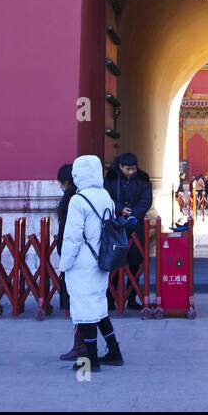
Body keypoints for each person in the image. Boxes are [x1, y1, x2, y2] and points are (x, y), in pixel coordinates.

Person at [58, 154, 124, 372]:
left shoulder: (78, 200)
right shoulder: (104, 195)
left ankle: (91, 360)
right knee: (98, 307)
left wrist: (64, 264)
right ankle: (114, 351)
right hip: (101, 259)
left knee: (84, 311)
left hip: (82, 262)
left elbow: (72, 237)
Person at [103, 152, 152, 310]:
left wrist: (135, 214)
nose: (131, 172)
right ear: (120, 167)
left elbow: (146, 200)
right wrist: (118, 209)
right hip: (116, 225)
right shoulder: (111, 178)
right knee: (114, 261)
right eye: (127, 169)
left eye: (133, 169)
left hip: (135, 225)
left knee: (135, 262)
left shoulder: (143, 178)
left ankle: (132, 298)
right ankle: (111, 299)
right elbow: (106, 197)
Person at [54, 164, 85, 361]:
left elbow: (69, 232)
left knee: (79, 305)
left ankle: (80, 345)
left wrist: (65, 259)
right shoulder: (83, 196)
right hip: (83, 256)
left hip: (75, 257)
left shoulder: (73, 199)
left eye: (61, 182)